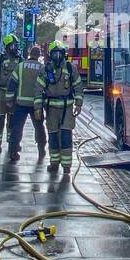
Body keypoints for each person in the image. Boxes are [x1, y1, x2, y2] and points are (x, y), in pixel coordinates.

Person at [35, 41, 84, 172]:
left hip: (67, 109)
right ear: (50, 55)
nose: (57, 56)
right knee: (53, 136)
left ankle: (67, 165)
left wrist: (78, 104)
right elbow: (38, 89)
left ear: (63, 54)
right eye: (54, 53)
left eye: (59, 53)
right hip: (51, 109)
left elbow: (78, 86)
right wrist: (38, 108)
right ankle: (54, 162)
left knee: (66, 136)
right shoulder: (46, 69)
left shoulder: (70, 68)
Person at [5, 43, 47, 162]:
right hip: (36, 105)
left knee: (17, 128)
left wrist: (9, 100)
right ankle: (41, 149)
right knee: (39, 127)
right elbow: (46, 86)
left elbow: (12, 83)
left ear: (29, 54)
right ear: (39, 55)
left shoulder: (20, 66)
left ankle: (14, 151)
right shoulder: (42, 67)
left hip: (21, 103)